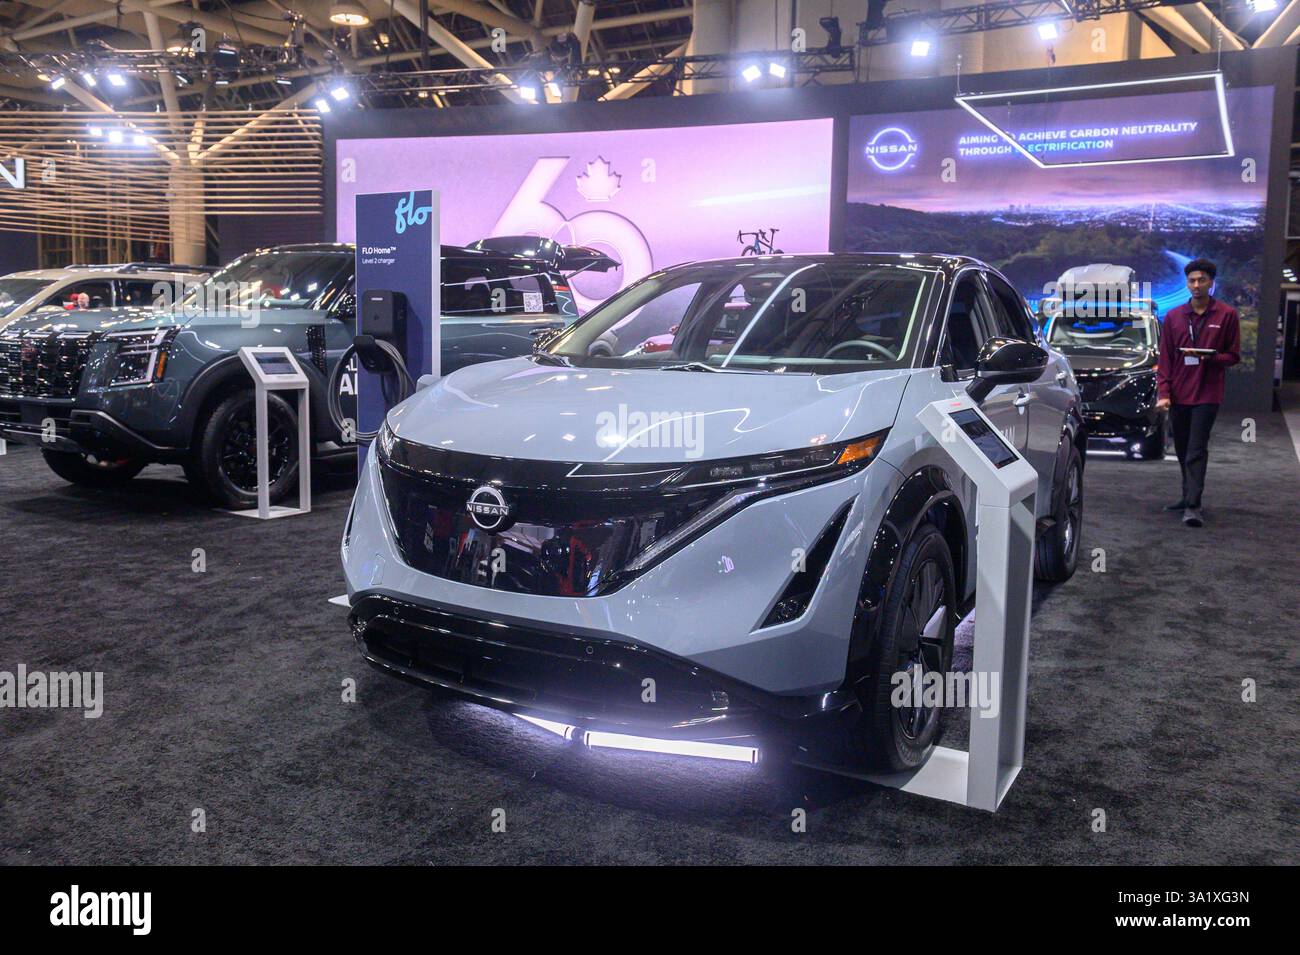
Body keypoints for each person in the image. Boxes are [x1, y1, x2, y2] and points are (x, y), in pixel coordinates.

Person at [1155, 258, 1240, 527]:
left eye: (1201, 280)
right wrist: (1163, 392)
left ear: (1211, 283)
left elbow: (1233, 356)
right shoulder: (1174, 317)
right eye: (1192, 280)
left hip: (1208, 393)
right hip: (1179, 393)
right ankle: (1186, 495)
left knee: (1196, 449)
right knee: (1181, 448)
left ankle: (1194, 505)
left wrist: (1211, 357)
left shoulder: (1226, 315)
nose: (1196, 285)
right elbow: (1166, 358)